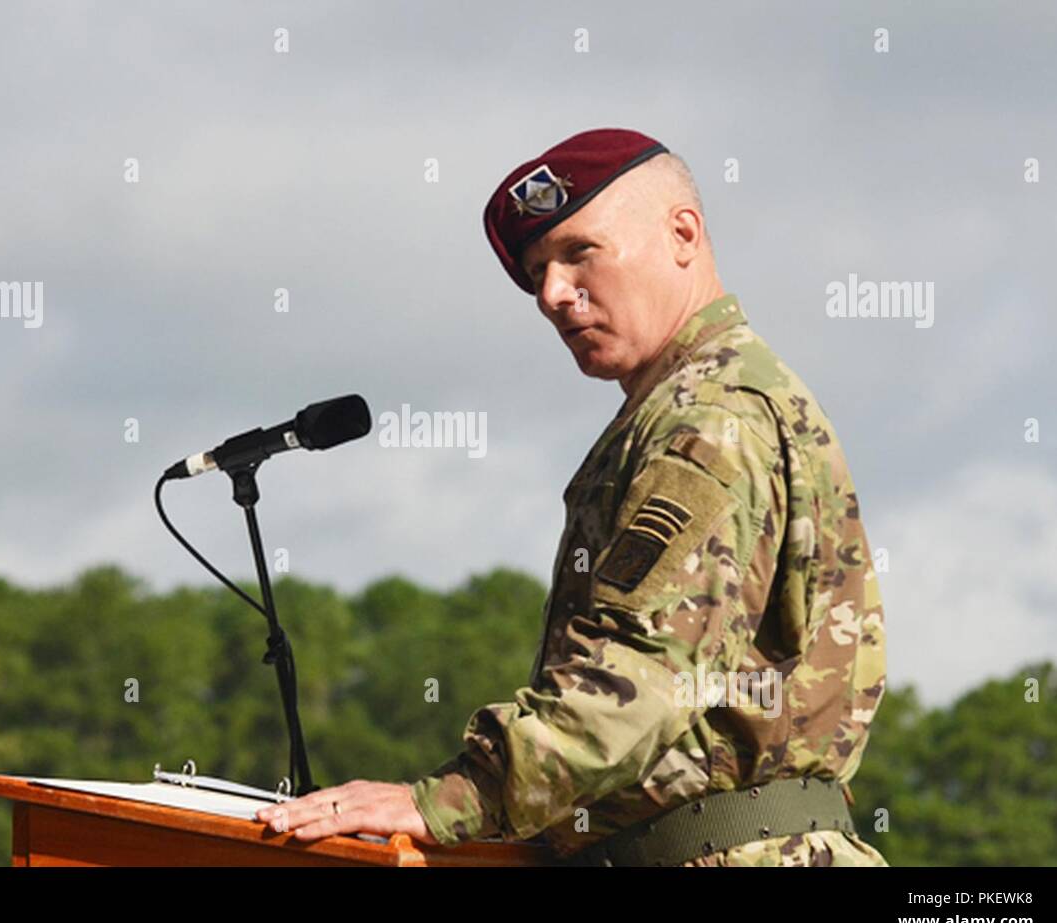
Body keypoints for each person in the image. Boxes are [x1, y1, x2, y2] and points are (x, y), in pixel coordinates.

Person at [256, 128, 887, 866]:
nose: (554, 295)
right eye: (537, 274)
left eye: (579, 252)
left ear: (683, 233)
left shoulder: (710, 415)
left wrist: (452, 799)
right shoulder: (686, 405)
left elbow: (640, 677)